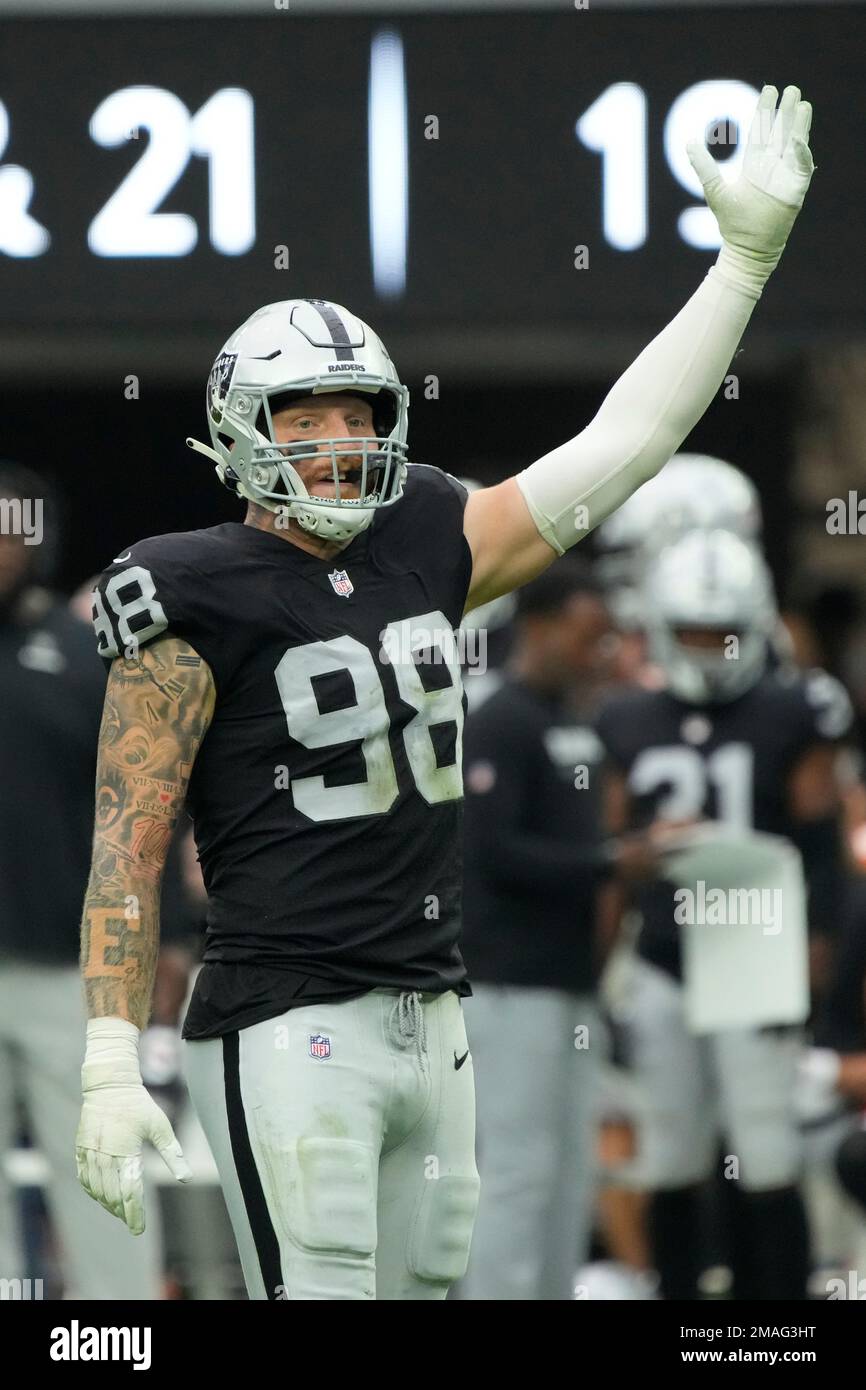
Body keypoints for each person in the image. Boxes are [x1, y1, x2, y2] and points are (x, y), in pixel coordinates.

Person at [75, 85, 816, 1300]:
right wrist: (109, 1050)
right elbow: (127, 837)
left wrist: (739, 266)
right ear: (238, 430)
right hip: (284, 1016)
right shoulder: (183, 586)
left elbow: (618, 448)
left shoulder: (423, 531)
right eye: (301, 417)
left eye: (356, 412)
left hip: (437, 1012)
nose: (335, 441)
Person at [596, 528, 852, 1299]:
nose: (710, 649)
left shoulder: (792, 711)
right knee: (672, 1155)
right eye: (694, 633)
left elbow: (821, 846)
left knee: (766, 1152)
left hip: (756, 946)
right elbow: (611, 850)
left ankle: (772, 1330)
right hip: (666, 951)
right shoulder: (625, 718)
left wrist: (812, 962)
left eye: (725, 633)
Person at [459, 558, 655, 1300]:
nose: (599, 654)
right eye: (586, 638)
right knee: (516, 1166)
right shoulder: (499, 719)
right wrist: (612, 861)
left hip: (571, 983)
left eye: (607, 640)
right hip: (510, 981)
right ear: (536, 629)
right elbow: (492, 850)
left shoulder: (572, 721)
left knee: (572, 1168)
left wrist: (620, 857)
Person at [0, 463, 163, 1299]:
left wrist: (153, 942)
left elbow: (141, 810)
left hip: (71, 966)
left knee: (101, 1158)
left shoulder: (82, 654)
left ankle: (120, 1329)